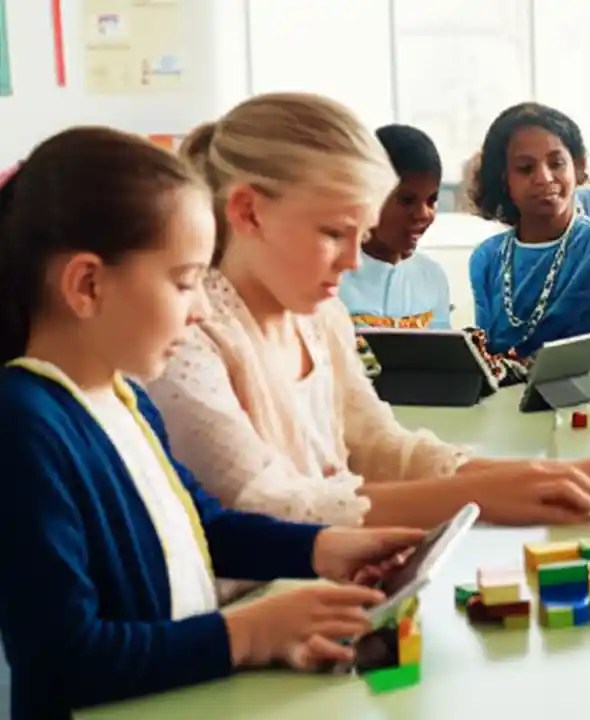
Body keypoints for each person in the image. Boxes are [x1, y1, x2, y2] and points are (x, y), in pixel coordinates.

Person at [0, 127, 425, 720]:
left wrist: (325, 549)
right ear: (88, 284)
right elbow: (63, 657)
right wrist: (245, 634)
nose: (202, 307)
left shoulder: (125, 397)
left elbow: (205, 526)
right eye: (183, 281)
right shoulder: (25, 426)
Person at [148, 93, 590, 535]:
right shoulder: (189, 341)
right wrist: (487, 496)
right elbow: (265, 506)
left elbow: (379, 447)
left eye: (360, 233)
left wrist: (530, 476)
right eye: (333, 233)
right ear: (249, 212)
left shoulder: (319, 318)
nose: (351, 260)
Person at [468, 102, 590, 369]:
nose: (544, 177)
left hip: (589, 403)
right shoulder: (486, 257)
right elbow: (487, 352)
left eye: (556, 163)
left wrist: (534, 365)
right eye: (526, 168)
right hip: (507, 403)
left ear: (578, 167)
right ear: (503, 179)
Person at [339, 124, 451, 330]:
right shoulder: (331, 277)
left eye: (431, 200)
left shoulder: (432, 277)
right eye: (407, 200)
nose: (423, 214)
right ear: (368, 194)